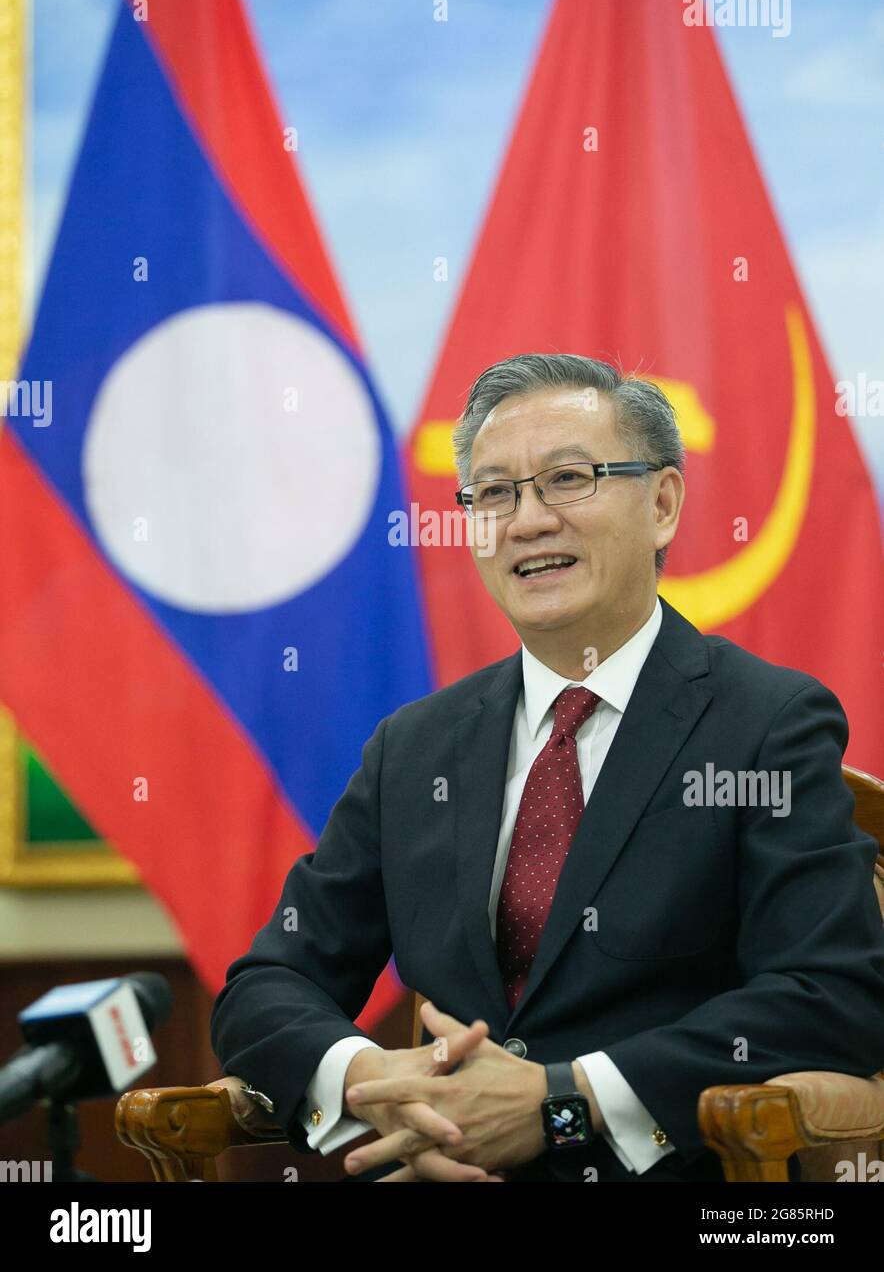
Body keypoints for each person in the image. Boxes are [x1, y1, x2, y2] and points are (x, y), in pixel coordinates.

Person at [210, 354, 884, 1182]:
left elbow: (831, 996)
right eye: (493, 494)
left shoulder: (765, 724)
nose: (527, 521)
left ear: (663, 504)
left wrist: (562, 1102)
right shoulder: (415, 748)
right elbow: (269, 980)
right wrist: (372, 1077)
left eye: (569, 478)